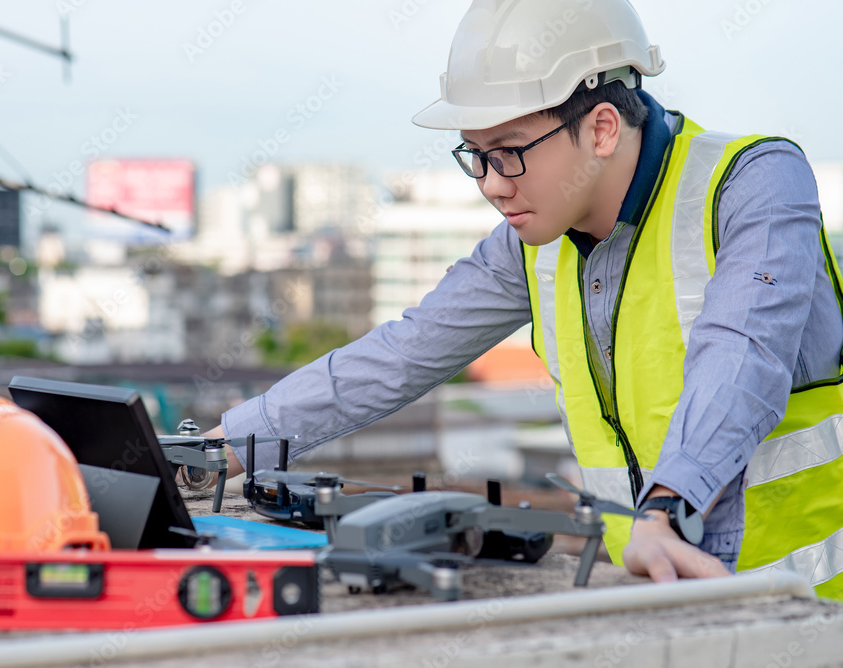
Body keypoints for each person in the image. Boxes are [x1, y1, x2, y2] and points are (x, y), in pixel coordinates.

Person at [205, 0, 843, 599]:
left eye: (508, 155)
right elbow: (402, 354)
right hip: (652, 601)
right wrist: (220, 449)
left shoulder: (753, 184)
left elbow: (740, 359)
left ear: (600, 128)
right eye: (474, 157)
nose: (490, 185)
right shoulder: (533, 241)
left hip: (806, 609)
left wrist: (666, 506)